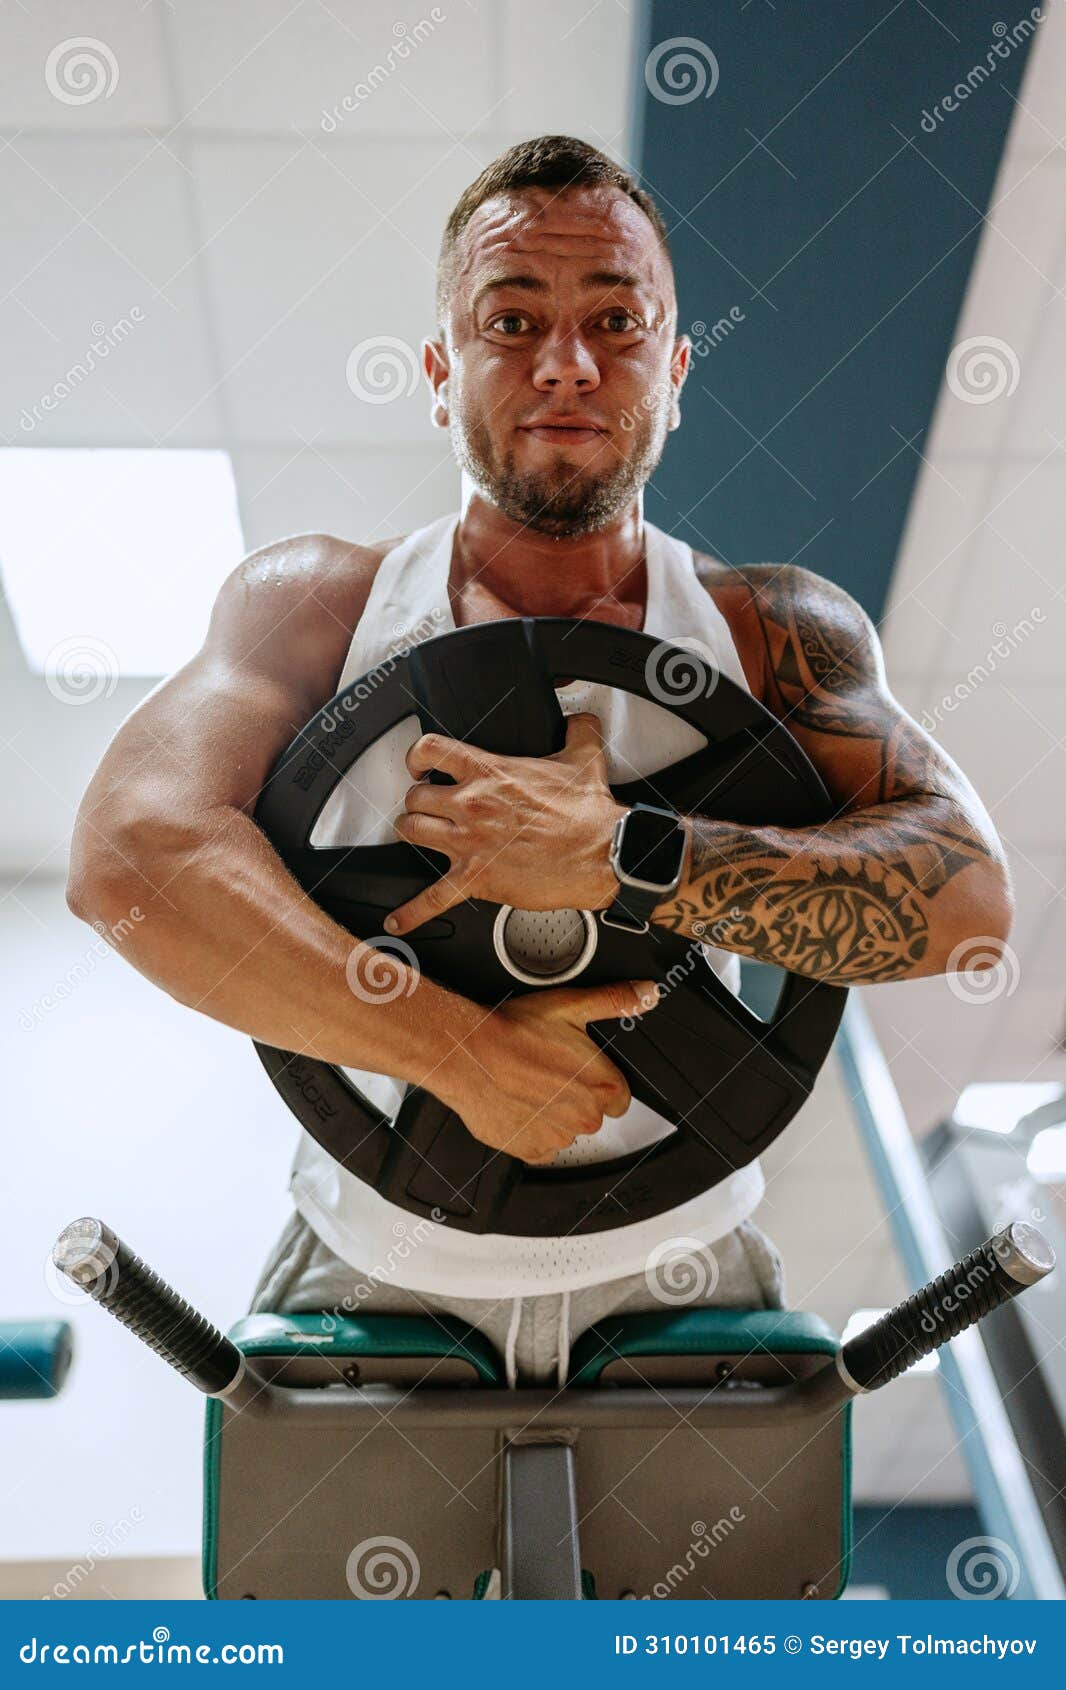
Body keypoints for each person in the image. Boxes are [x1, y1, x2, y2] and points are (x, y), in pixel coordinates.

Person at [66, 136, 1013, 1389]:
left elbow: (966, 907)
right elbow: (130, 858)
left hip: (690, 1274)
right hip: (368, 1271)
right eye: (511, 320)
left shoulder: (768, 633)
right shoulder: (316, 607)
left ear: (674, 374)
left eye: (616, 321)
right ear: (439, 373)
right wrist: (458, 1053)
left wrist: (624, 857)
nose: (566, 361)